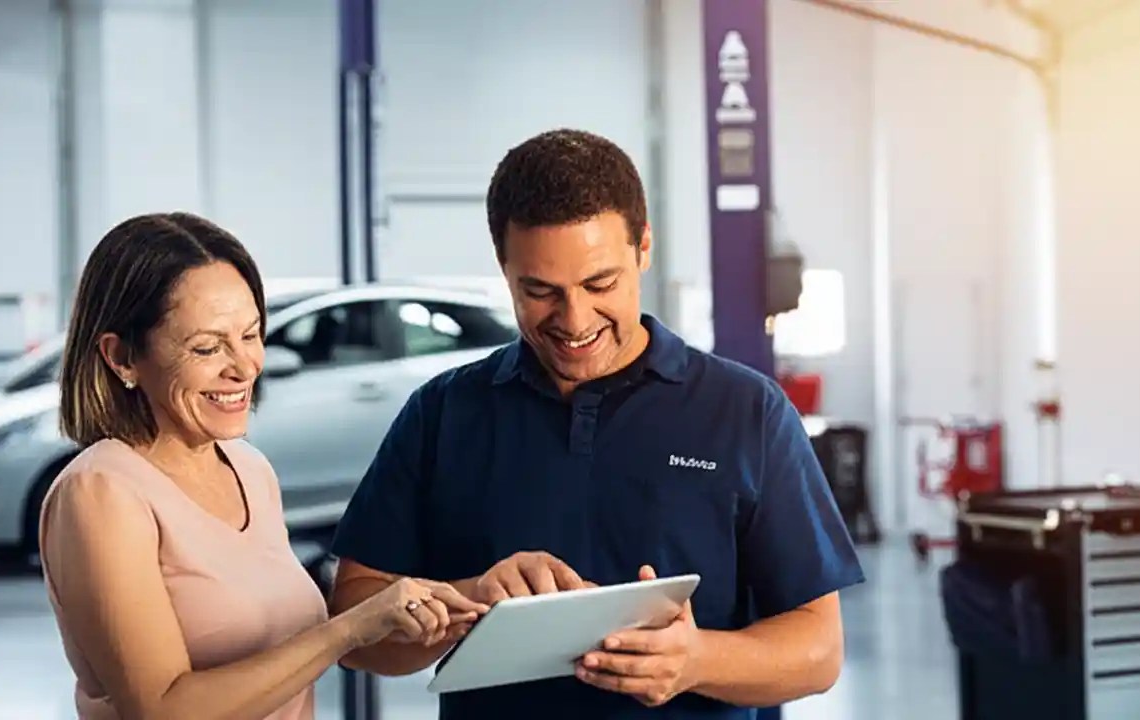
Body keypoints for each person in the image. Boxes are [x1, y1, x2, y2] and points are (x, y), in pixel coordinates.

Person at [328, 128, 865, 719]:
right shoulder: (443, 415)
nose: (574, 319)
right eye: (539, 291)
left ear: (644, 248)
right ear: (504, 269)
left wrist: (696, 661)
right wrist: (470, 598)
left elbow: (818, 648)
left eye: (600, 283)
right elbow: (353, 630)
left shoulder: (746, 413)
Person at [39, 212, 487, 720]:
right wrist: (345, 630)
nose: (244, 366)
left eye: (250, 336)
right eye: (206, 347)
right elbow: (163, 710)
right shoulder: (100, 493)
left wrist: (467, 602)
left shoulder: (249, 470)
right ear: (121, 357)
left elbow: (290, 662)